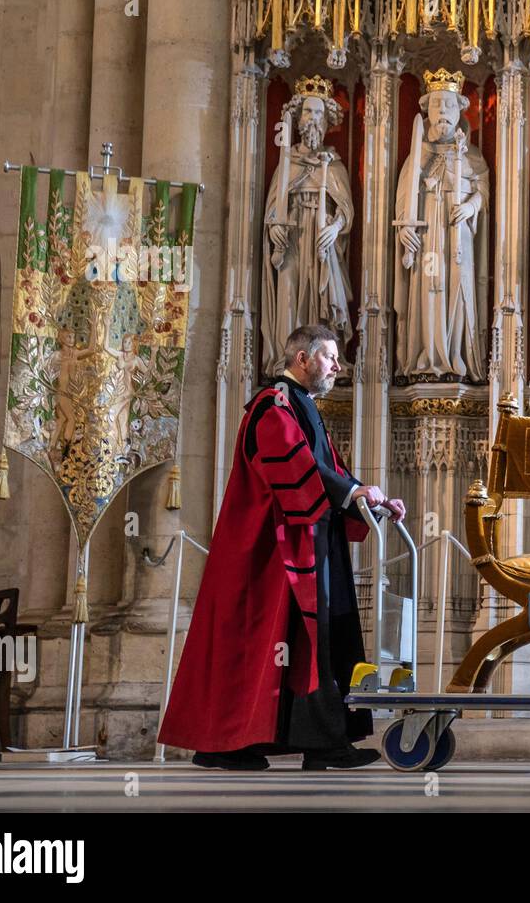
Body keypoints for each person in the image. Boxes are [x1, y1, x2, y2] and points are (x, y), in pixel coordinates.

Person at [158, 324, 406, 771]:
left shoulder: (301, 406)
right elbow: (295, 467)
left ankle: (321, 743)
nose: (336, 366)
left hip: (307, 543)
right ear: (302, 359)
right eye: (330, 357)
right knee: (274, 646)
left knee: (308, 645)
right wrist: (353, 494)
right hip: (271, 554)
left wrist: (371, 498)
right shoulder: (272, 406)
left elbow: (327, 470)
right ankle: (227, 744)